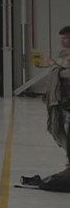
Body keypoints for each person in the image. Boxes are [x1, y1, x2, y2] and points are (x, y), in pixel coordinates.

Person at [43, 26, 70, 179]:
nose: (62, 41)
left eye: (65, 38)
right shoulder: (62, 55)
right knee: (57, 128)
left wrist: (57, 67)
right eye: (61, 38)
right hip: (62, 100)